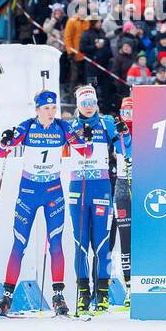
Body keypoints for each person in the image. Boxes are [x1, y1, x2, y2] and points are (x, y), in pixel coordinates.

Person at [0, 90, 91, 316]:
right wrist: (5, 141)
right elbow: (1, 153)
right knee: (19, 243)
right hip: (28, 192)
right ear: (37, 110)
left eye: (54, 108)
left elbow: (85, 151)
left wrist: (87, 138)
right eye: (46, 108)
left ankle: (58, 295)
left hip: (53, 191)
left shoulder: (63, 128)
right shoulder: (27, 126)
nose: (51, 112)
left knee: (56, 243)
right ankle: (6, 297)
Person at [69, 85, 119, 313]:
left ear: (97, 103)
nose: (88, 108)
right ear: (78, 105)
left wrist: (122, 133)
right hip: (77, 187)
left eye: (92, 103)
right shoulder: (70, 126)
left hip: (101, 187)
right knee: (80, 243)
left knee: (101, 243)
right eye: (84, 103)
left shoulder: (106, 123)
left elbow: (123, 148)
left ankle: (102, 292)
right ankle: (83, 293)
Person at [111, 96, 134, 306]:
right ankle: (129, 286)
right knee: (124, 238)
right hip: (121, 186)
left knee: (143, 237)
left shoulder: (145, 130)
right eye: (126, 113)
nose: (128, 117)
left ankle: (143, 282)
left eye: (132, 112)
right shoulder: (116, 130)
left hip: (142, 185)